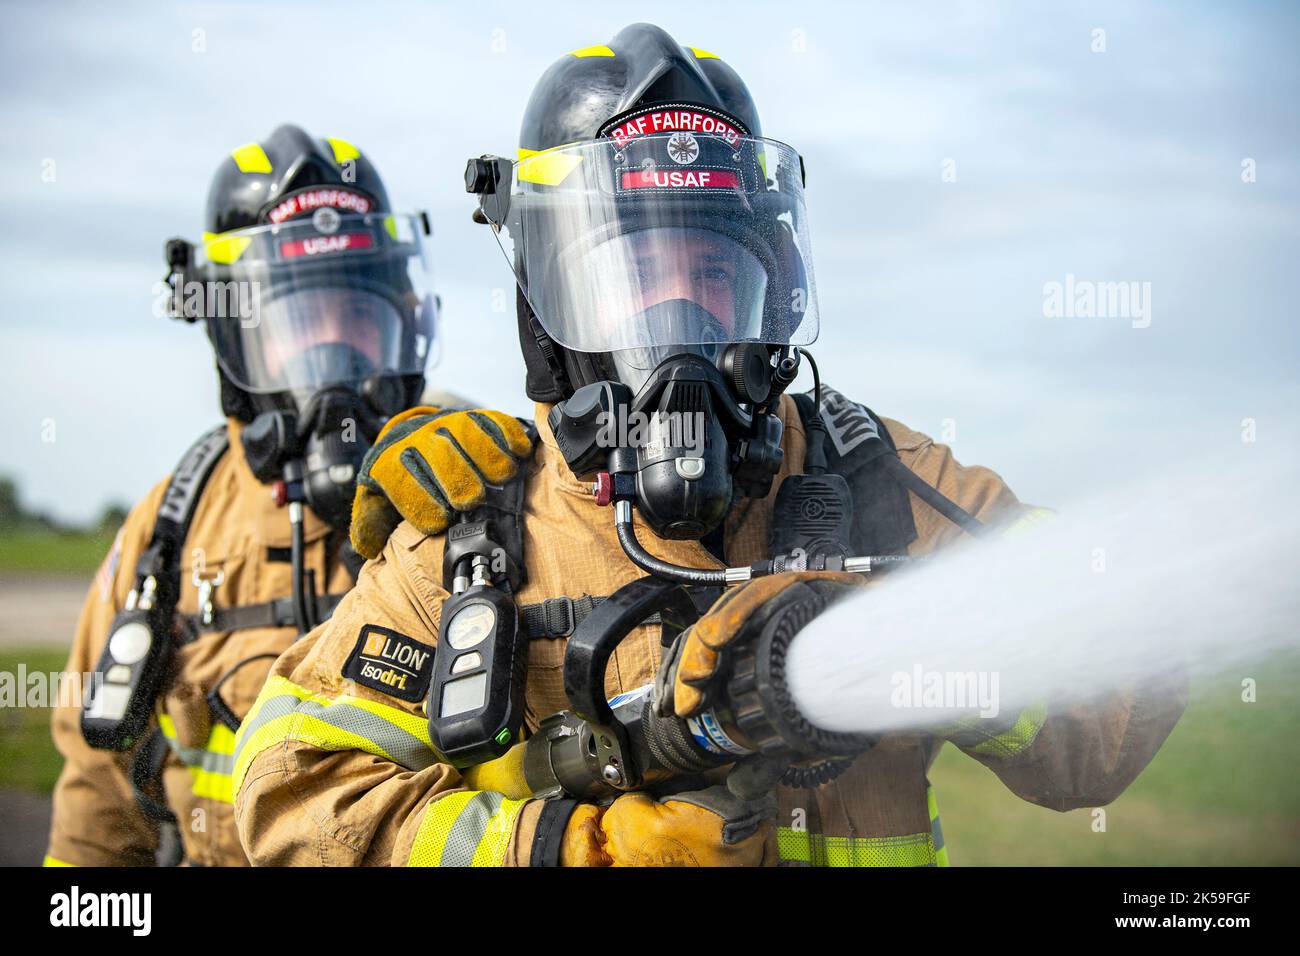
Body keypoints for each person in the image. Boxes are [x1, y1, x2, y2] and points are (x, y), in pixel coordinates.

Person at [233, 28, 1185, 867]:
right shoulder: (482, 534)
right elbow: (291, 792)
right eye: (631, 279)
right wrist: (568, 851)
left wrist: (918, 645)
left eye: (714, 276)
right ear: (551, 316)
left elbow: (1109, 714)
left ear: (773, 294)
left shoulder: (885, 483)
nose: (678, 332)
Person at [45, 124, 530, 867]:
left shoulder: (475, 480)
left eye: (358, 325)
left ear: (407, 323)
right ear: (234, 350)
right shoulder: (168, 529)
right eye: (297, 331)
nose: (335, 371)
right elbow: (97, 802)